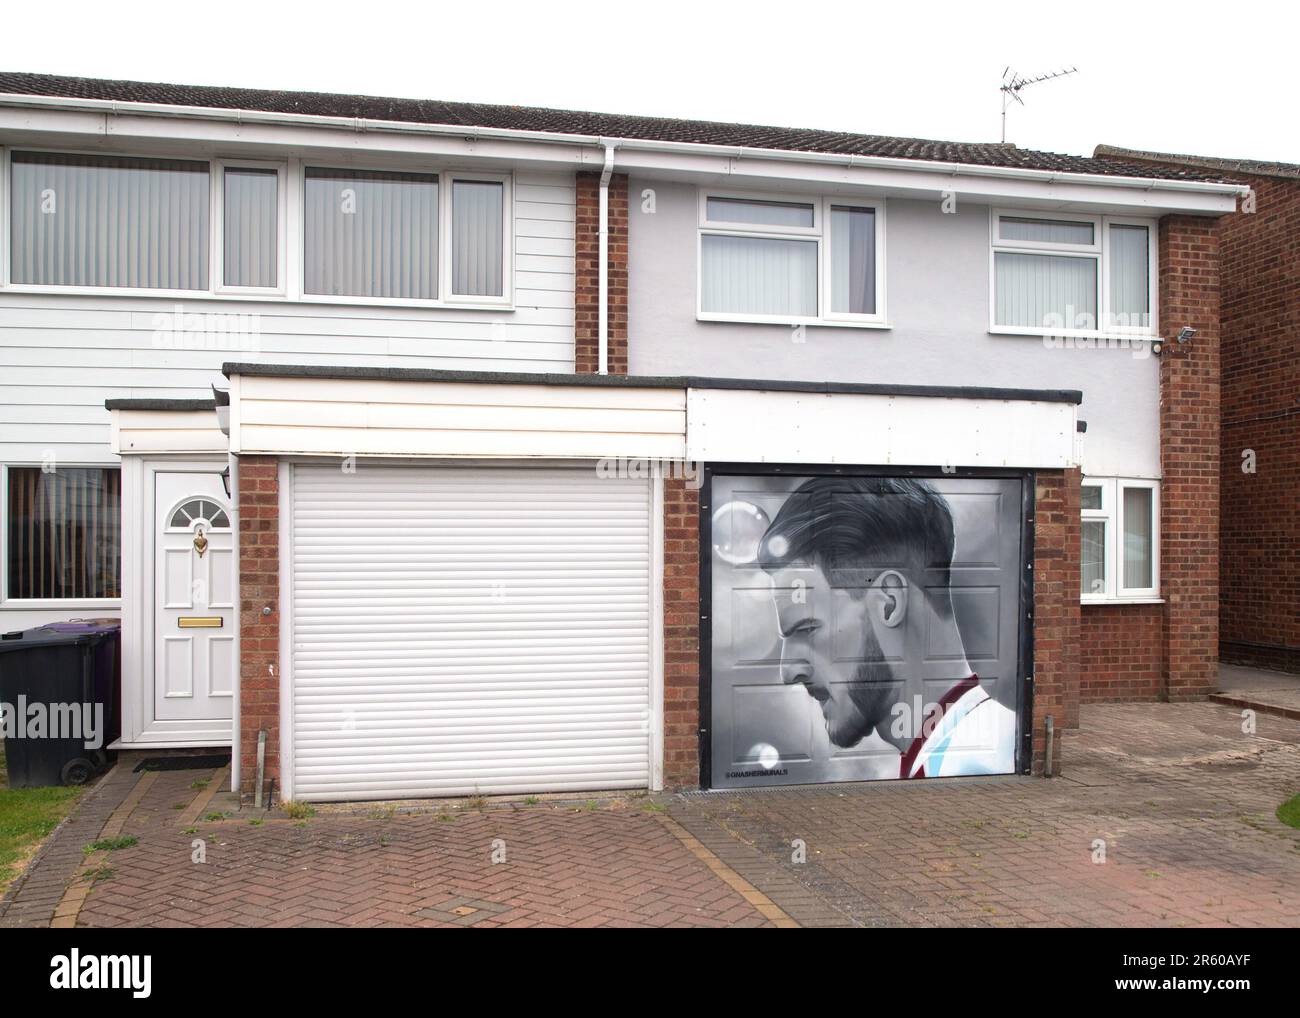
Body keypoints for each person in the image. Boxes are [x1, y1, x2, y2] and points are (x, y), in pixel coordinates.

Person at [757, 476, 1014, 778]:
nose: (787, 671)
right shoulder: (953, 754)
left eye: (807, 629)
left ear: (890, 603)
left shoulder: (978, 766)